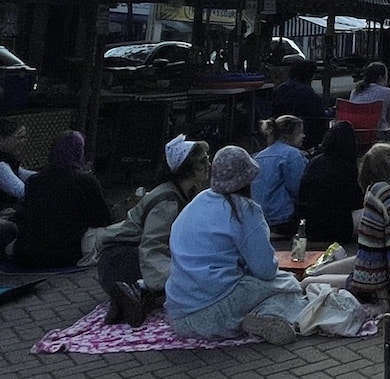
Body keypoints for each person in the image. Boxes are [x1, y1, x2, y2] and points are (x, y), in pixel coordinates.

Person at [166, 146, 306, 345]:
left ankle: (248, 319)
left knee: (271, 284)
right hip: (215, 309)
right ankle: (264, 315)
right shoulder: (245, 209)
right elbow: (266, 270)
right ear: (248, 179)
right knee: (290, 285)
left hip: (179, 316)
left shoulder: (197, 202)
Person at [303, 143, 390, 315]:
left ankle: (311, 275)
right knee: (348, 263)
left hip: (385, 284)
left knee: (307, 282)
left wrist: (382, 301)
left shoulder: (377, 193)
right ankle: (314, 272)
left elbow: (370, 252)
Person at [97, 135, 210, 326]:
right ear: (186, 168)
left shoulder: (186, 192)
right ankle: (135, 294)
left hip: (130, 255)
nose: (208, 165)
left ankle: (137, 296)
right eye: (202, 161)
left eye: (207, 159)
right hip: (120, 261)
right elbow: (152, 245)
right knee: (186, 279)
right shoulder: (167, 200)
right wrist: (172, 278)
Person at [12, 130, 113, 268]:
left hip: (27, 253)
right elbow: (103, 219)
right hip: (67, 254)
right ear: (79, 153)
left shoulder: (34, 181)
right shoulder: (86, 181)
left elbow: (28, 214)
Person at [295, 121, 364, 246]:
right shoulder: (348, 167)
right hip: (340, 228)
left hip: (311, 227)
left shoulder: (314, 162)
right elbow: (356, 201)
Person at [252, 115, 307, 235]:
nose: (303, 136)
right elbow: (299, 188)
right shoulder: (293, 155)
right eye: (300, 132)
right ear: (290, 134)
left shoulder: (259, 156)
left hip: (259, 217)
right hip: (283, 217)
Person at [272, 60, 327, 150]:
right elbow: (319, 115)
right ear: (310, 76)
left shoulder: (280, 90)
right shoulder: (308, 93)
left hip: (280, 131)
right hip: (305, 134)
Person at [0, 118, 33, 251]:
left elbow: (23, 174)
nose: (23, 141)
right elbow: (22, 191)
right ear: (2, 139)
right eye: (19, 137)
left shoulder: (8, 161)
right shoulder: (1, 166)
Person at [349, 61, 390, 133]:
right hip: (378, 133)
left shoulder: (355, 91)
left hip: (357, 131)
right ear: (380, 77)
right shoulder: (388, 92)